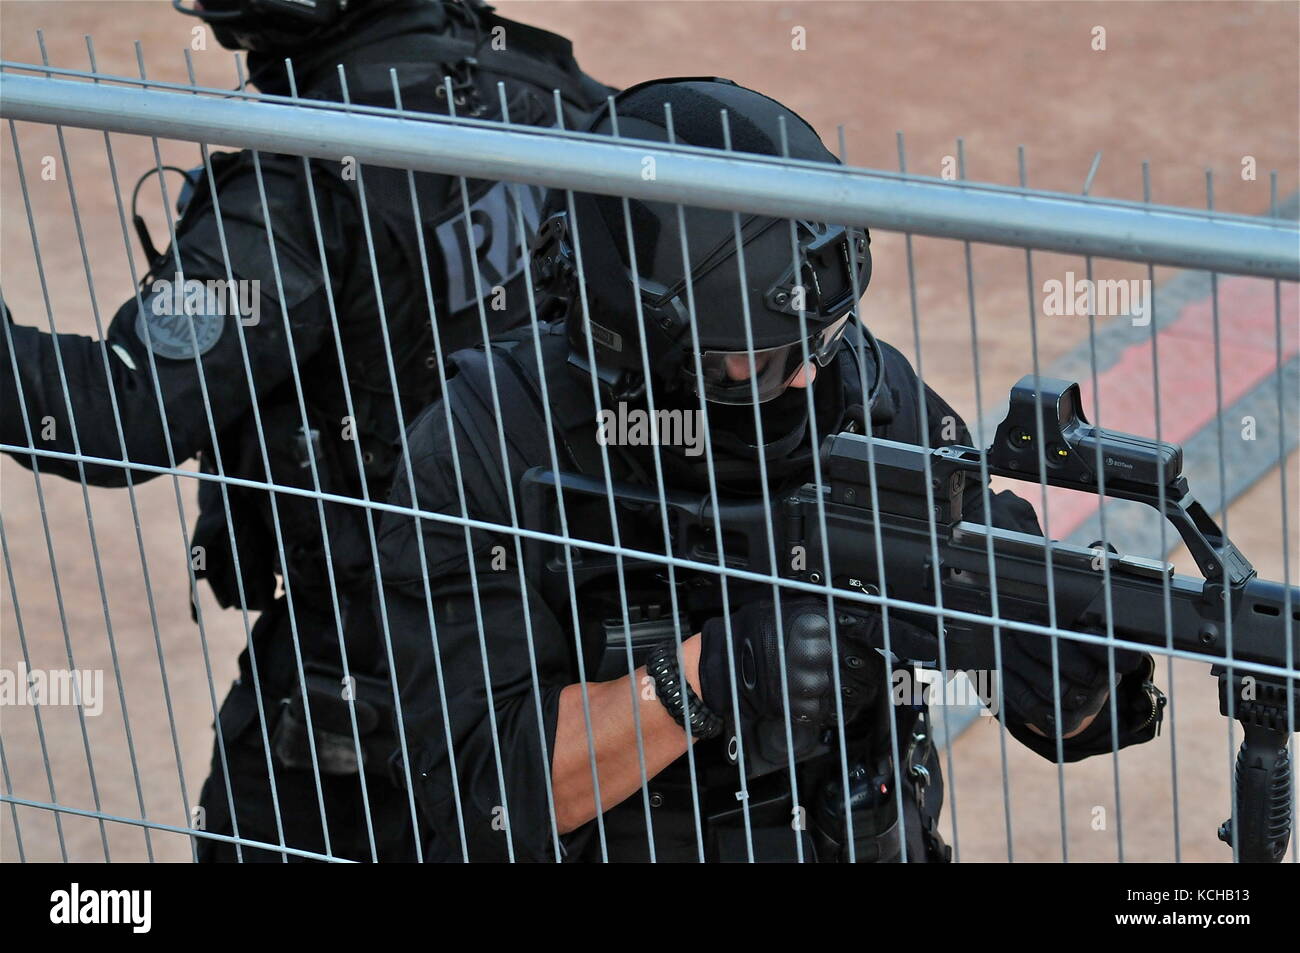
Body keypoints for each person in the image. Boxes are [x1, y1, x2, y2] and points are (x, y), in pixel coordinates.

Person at [377, 76, 1168, 863]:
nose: (808, 379)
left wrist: (1058, 678)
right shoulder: (489, 443)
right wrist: (716, 673)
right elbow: (490, 795)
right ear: (635, 346)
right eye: (760, 360)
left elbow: (1022, 684)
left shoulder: (865, 394)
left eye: (825, 335)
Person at [0, 0, 613, 861]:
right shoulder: (547, 91)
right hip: (565, 675)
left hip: (366, 700)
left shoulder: (301, 183)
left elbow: (116, 411)